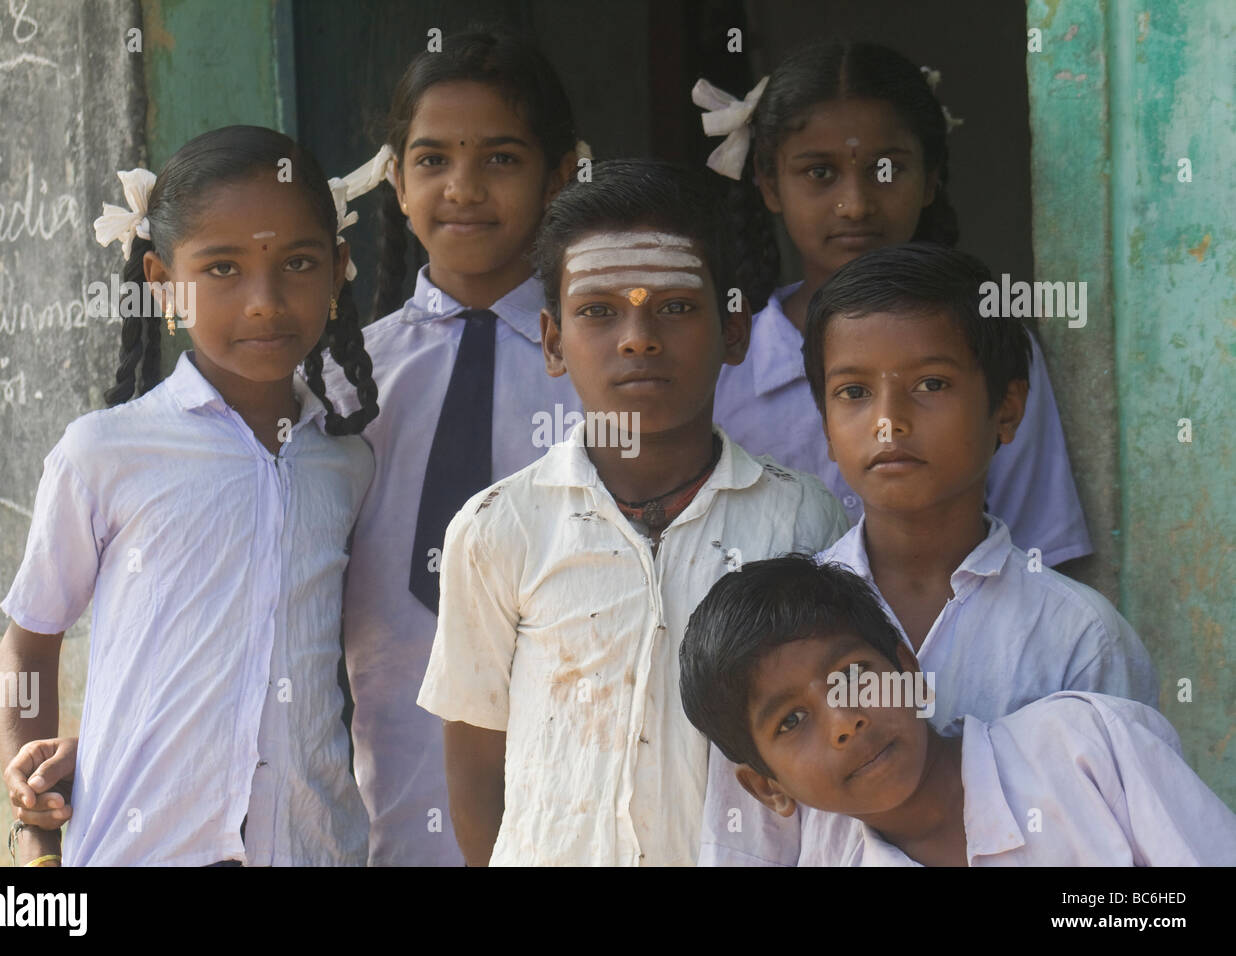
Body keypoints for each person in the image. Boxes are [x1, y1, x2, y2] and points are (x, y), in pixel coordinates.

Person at [415, 159, 851, 866]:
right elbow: (474, 767)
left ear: (733, 331)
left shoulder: (802, 520)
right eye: (598, 311)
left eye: (675, 307)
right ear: (553, 342)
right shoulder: (500, 527)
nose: (637, 338)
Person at [698, 242, 1155, 866]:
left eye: (931, 384)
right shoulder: (769, 631)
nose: (889, 422)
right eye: (855, 392)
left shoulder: (1080, 637)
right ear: (826, 427)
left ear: (1008, 409)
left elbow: (1135, 844)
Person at [0, 125, 378, 867]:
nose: (264, 302)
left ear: (338, 271)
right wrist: (34, 807)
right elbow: (30, 639)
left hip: (313, 847)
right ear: (163, 281)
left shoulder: (348, 464)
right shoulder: (104, 453)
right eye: (223, 268)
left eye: (297, 263)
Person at [320, 28, 586, 865]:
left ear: (561, 177)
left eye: (501, 159)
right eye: (432, 161)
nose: (462, 189)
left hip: (577, 795)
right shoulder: (345, 382)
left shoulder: (606, 373)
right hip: (385, 797)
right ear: (396, 181)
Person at [697, 41, 1092, 566]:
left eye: (886, 169)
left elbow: (1041, 552)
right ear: (769, 185)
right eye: (819, 172)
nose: (855, 204)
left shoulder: (993, 340)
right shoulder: (724, 363)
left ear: (930, 180)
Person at [680, 554, 1236, 866]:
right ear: (767, 788)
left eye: (852, 677)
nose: (846, 721)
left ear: (908, 672)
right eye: (791, 721)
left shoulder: (1084, 749)